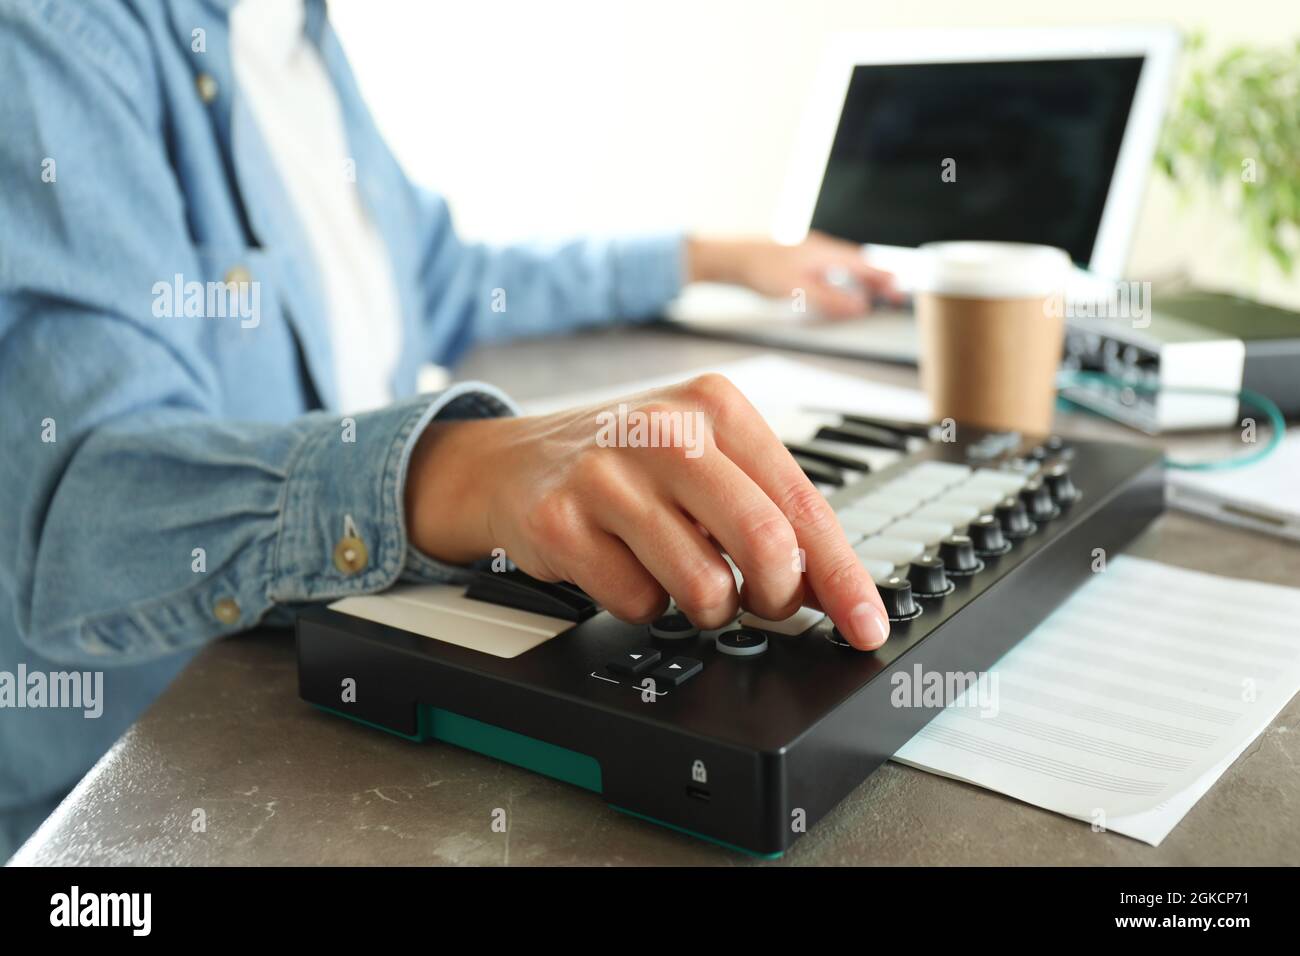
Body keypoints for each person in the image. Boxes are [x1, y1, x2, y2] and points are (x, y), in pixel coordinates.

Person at [0, 0, 895, 858]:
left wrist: (709, 256)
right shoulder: (53, 33)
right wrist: (457, 471)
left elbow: (441, 282)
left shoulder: (298, 34)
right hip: (137, 777)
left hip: (336, 689)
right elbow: (79, 515)